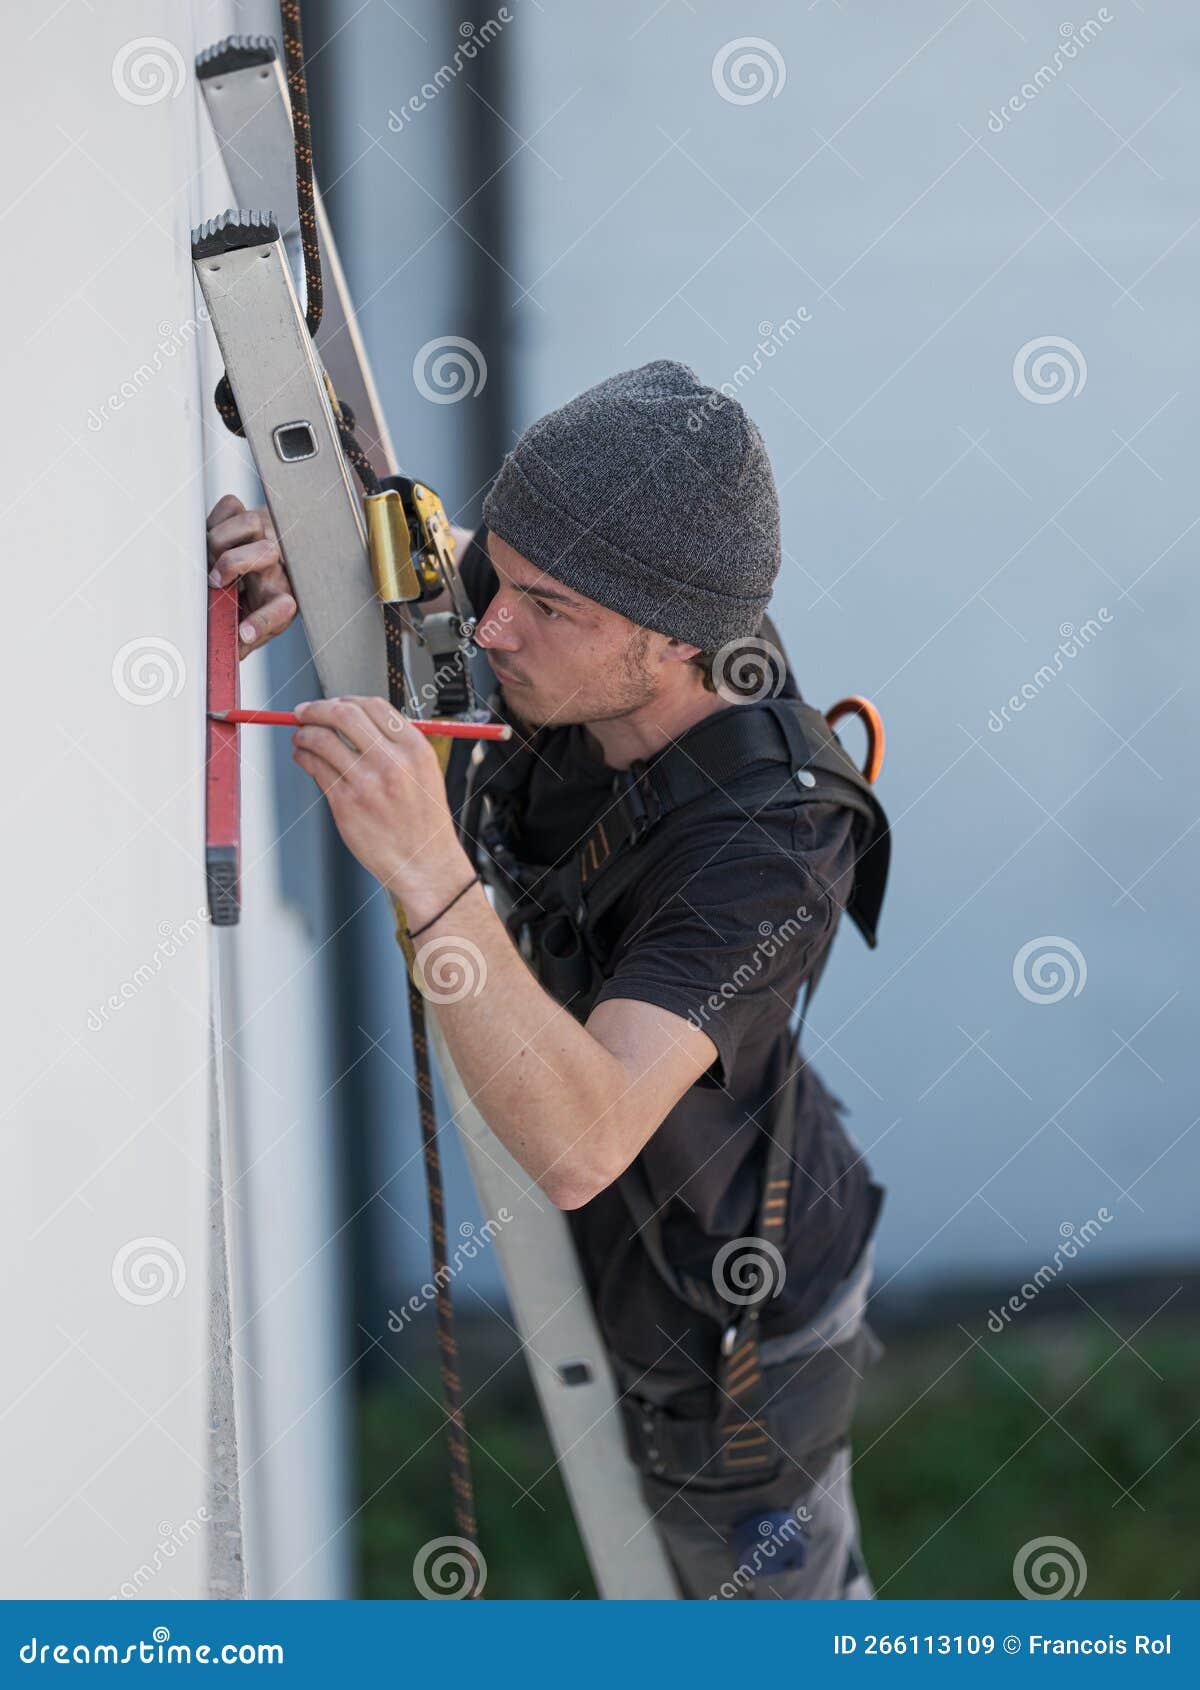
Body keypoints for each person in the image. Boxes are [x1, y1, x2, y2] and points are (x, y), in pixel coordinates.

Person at [206, 360, 891, 1599]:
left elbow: (583, 1143)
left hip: (731, 1318)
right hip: (625, 1242)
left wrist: (429, 868)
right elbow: (455, 553)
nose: (490, 624)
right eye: (503, 578)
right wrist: (309, 553)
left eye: (545, 606)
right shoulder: (602, 596)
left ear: (678, 641)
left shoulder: (770, 846)